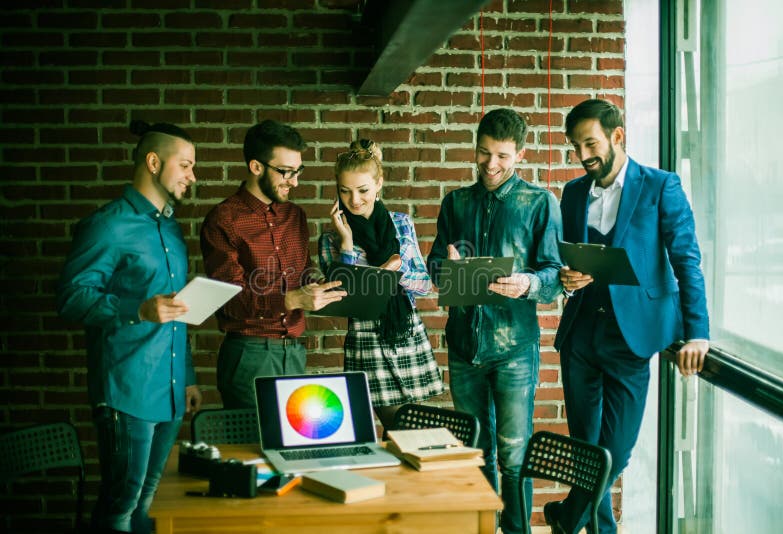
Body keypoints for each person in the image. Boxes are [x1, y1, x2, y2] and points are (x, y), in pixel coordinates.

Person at [547, 99, 710, 534]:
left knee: (614, 452)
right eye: (575, 146)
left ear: (618, 136)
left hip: (631, 338)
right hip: (581, 335)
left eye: (590, 143)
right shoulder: (574, 192)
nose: (583, 156)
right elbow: (569, 258)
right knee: (587, 450)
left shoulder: (661, 187)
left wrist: (698, 334)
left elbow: (686, 260)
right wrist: (568, 275)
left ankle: (566, 517)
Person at [57, 120, 203, 534]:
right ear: (154, 162)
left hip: (170, 390)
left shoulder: (171, 229)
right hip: (127, 391)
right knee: (120, 503)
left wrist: (189, 377)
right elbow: (71, 297)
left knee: (147, 502)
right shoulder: (108, 225)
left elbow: (177, 311)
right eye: (186, 165)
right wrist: (137, 310)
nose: (193, 176)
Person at [427, 108, 563, 534]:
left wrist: (527, 283)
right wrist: (443, 269)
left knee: (515, 453)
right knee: (475, 450)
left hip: (514, 350)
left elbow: (556, 275)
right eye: (484, 153)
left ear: (520, 154)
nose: (491, 165)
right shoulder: (456, 202)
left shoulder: (540, 203)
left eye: (502, 156)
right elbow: (432, 266)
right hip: (464, 345)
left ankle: (518, 531)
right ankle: (483, 529)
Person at [200, 119, 346, 409]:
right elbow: (228, 300)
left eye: (297, 171)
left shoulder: (295, 216)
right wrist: (292, 299)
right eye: (286, 172)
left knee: (291, 448)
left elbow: (304, 268)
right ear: (256, 167)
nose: (294, 182)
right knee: (254, 449)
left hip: (293, 352)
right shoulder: (223, 220)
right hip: (248, 354)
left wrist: (316, 281)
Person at [318, 139, 445, 429]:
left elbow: (424, 285)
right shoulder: (331, 239)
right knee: (397, 427)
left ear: (379, 184)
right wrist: (347, 243)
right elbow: (342, 296)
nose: (355, 200)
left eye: (363, 190)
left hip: (405, 331)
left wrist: (395, 273)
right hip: (367, 339)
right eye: (345, 191)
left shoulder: (400, 223)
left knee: (410, 433)